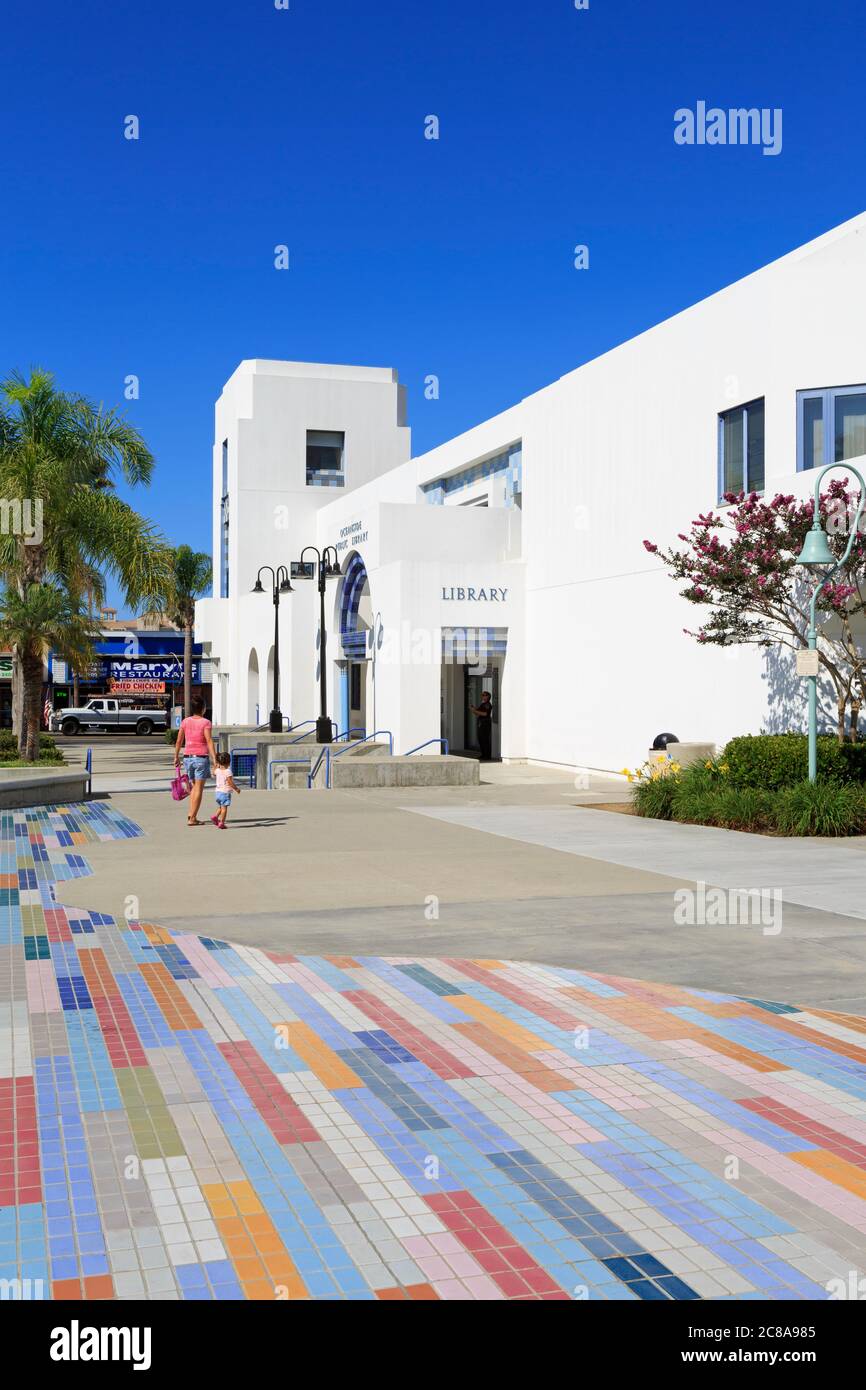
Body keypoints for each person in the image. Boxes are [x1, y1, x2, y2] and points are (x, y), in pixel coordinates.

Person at [173, 694, 217, 826]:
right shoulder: (206, 722)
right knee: (198, 788)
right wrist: (215, 759)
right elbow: (209, 741)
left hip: (187, 758)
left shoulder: (185, 721)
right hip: (201, 758)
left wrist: (176, 756)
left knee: (193, 788)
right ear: (203, 708)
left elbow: (179, 741)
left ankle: (191, 815)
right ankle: (192, 818)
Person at [210, 751, 240, 829]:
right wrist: (236, 789)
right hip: (225, 792)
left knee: (221, 806)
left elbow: (213, 773)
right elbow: (230, 782)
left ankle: (215, 817)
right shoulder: (228, 771)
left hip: (217, 792)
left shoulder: (217, 770)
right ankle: (222, 822)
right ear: (229, 762)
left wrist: (215, 766)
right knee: (224, 808)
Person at [470, 689, 494, 761]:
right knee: (481, 739)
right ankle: (483, 754)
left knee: (484, 739)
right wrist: (474, 709)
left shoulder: (487, 705)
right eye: (482, 695)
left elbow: (485, 714)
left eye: (484, 695)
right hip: (481, 723)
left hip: (485, 723)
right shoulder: (483, 704)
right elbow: (478, 712)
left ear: (488, 697)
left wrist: (474, 710)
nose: (482, 696)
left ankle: (487, 755)